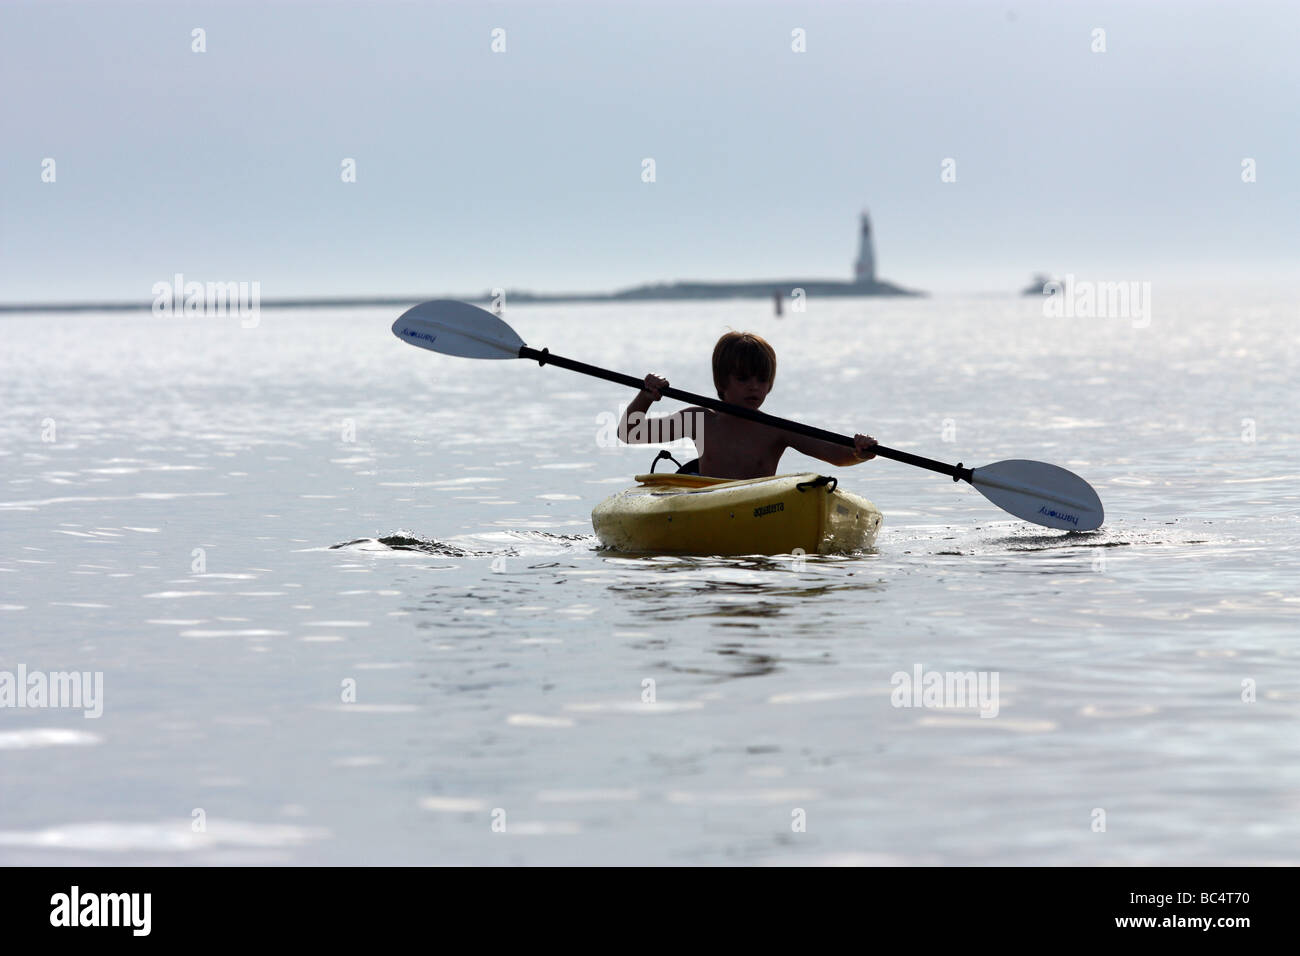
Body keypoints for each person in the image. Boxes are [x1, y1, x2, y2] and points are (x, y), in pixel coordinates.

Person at [615, 330, 877, 479]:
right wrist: (646, 396)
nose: (754, 386)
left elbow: (834, 455)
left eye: (762, 380)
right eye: (742, 378)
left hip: (758, 507)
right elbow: (630, 433)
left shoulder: (776, 429)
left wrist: (858, 451)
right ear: (722, 382)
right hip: (708, 502)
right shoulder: (700, 420)